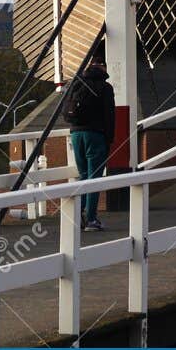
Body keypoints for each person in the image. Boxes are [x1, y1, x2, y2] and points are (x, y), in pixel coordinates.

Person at [64, 50, 115, 232]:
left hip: (76, 133)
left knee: (84, 175)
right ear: (103, 67)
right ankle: (91, 218)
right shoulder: (105, 87)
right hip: (95, 134)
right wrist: (109, 138)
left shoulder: (76, 83)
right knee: (94, 177)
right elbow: (109, 114)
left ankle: (79, 215)